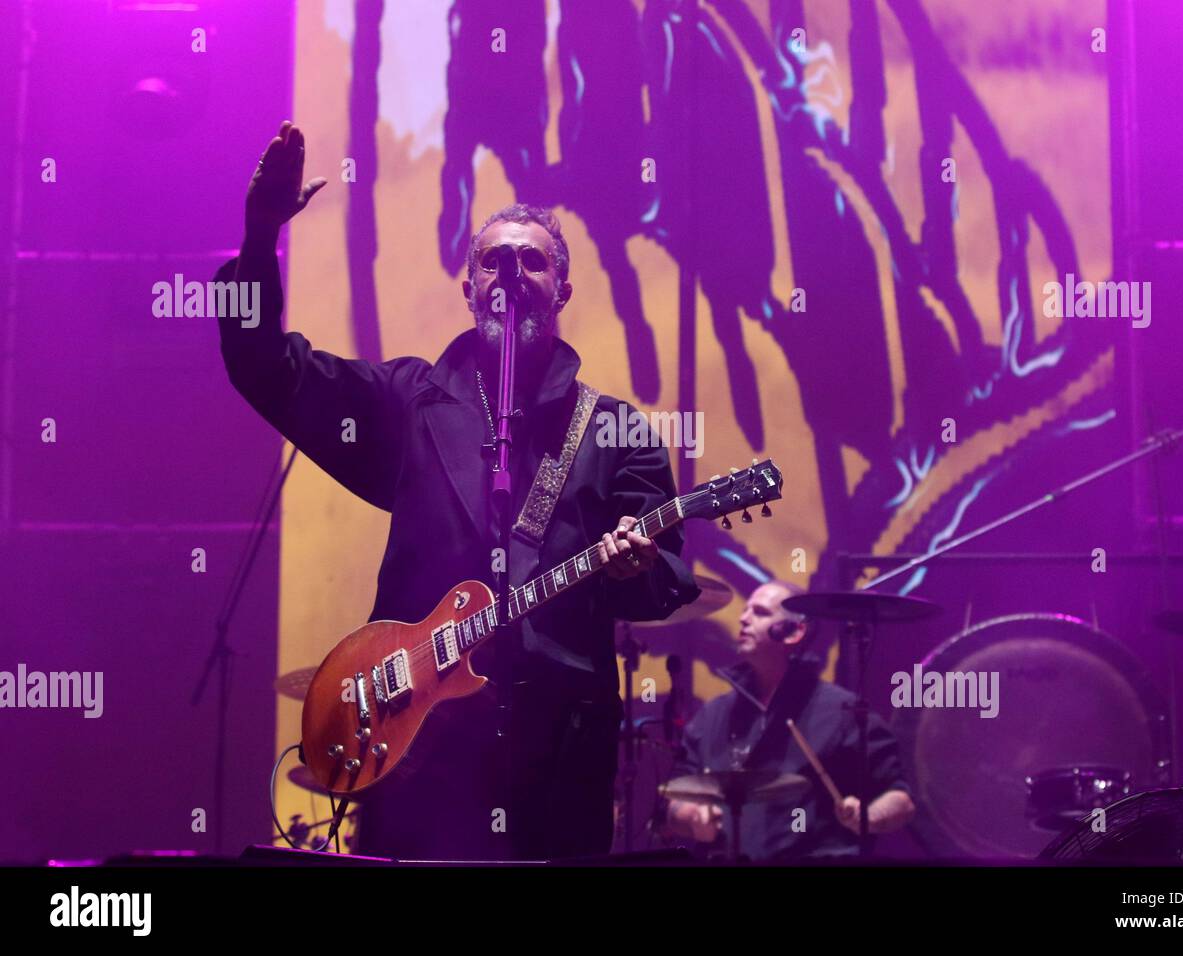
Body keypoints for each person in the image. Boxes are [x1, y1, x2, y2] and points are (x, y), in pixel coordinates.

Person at [217, 121, 699, 860]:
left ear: (562, 288)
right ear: (469, 286)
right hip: (418, 744)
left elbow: (668, 574)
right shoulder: (408, 402)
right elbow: (265, 369)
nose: (511, 275)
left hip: (559, 751)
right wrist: (259, 239)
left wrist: (636, 568)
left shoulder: (612, 429)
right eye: (494, 262)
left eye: (531, 263)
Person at [666, 581, 914, 860]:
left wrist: (868, 815)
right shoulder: (712, 716)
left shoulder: (843, 713)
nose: (743, 618)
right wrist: (691, 817)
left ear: (795, 632)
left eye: (760, 612)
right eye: (746, 610)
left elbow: (901, 799)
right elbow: (675, 796)